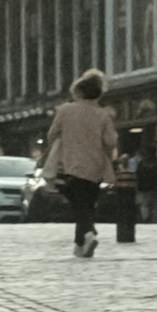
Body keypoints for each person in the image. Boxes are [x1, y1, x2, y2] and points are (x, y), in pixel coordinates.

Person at [43, 65, 124, 262]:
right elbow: (111, 141)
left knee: (79, 205)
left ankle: (89, 234)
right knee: (87, 203)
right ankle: (80, 245)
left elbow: (51, 134)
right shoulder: (103, 115)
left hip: (70, 165)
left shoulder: (64, 110)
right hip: (95, 167)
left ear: (78, 92)